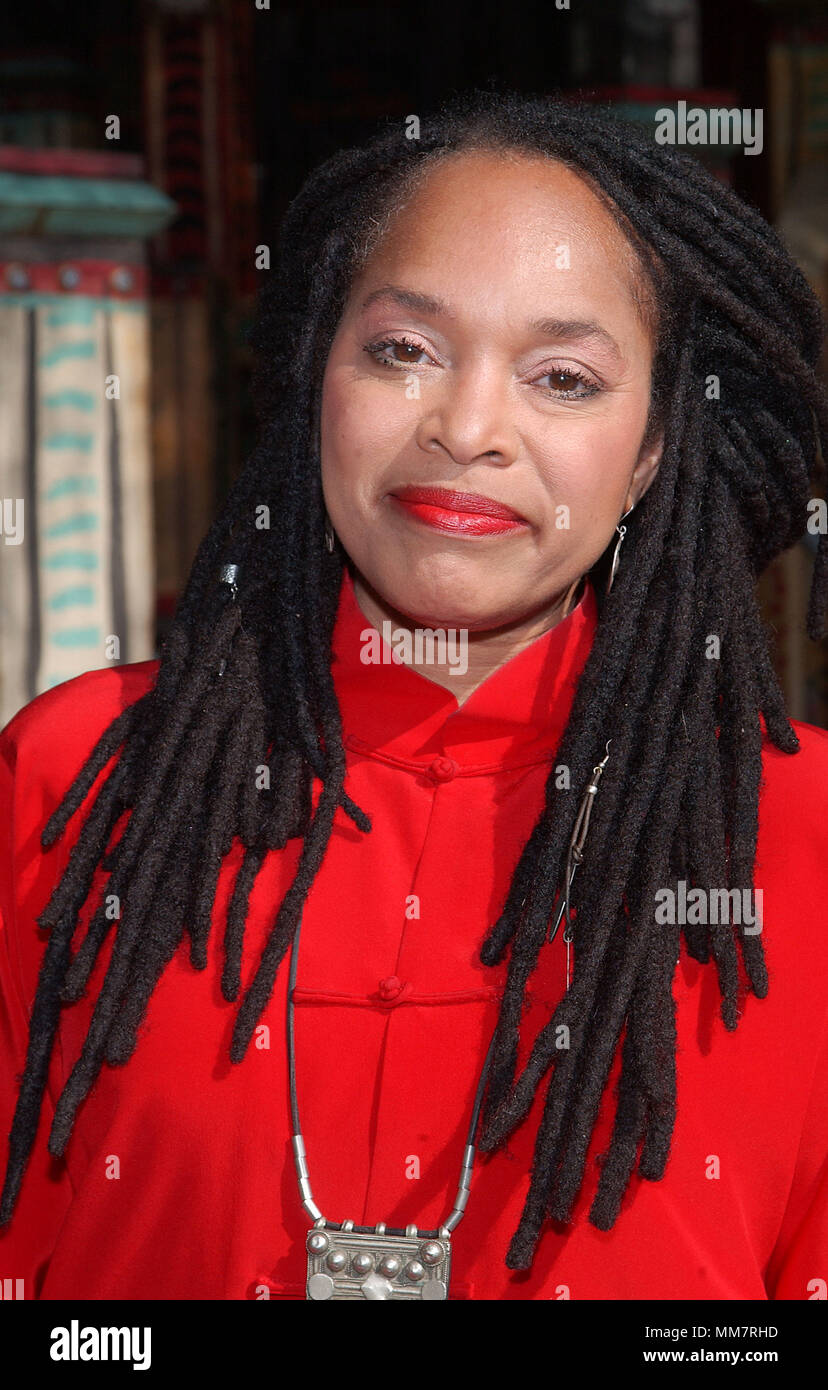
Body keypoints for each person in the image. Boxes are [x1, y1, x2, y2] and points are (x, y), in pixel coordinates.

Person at [1, 88, 827, 1301]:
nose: (469, 426)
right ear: (316, 377)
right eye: (404, 351)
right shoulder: (71, 785)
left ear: (654, 448)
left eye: (562, 377)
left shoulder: (797, 836)